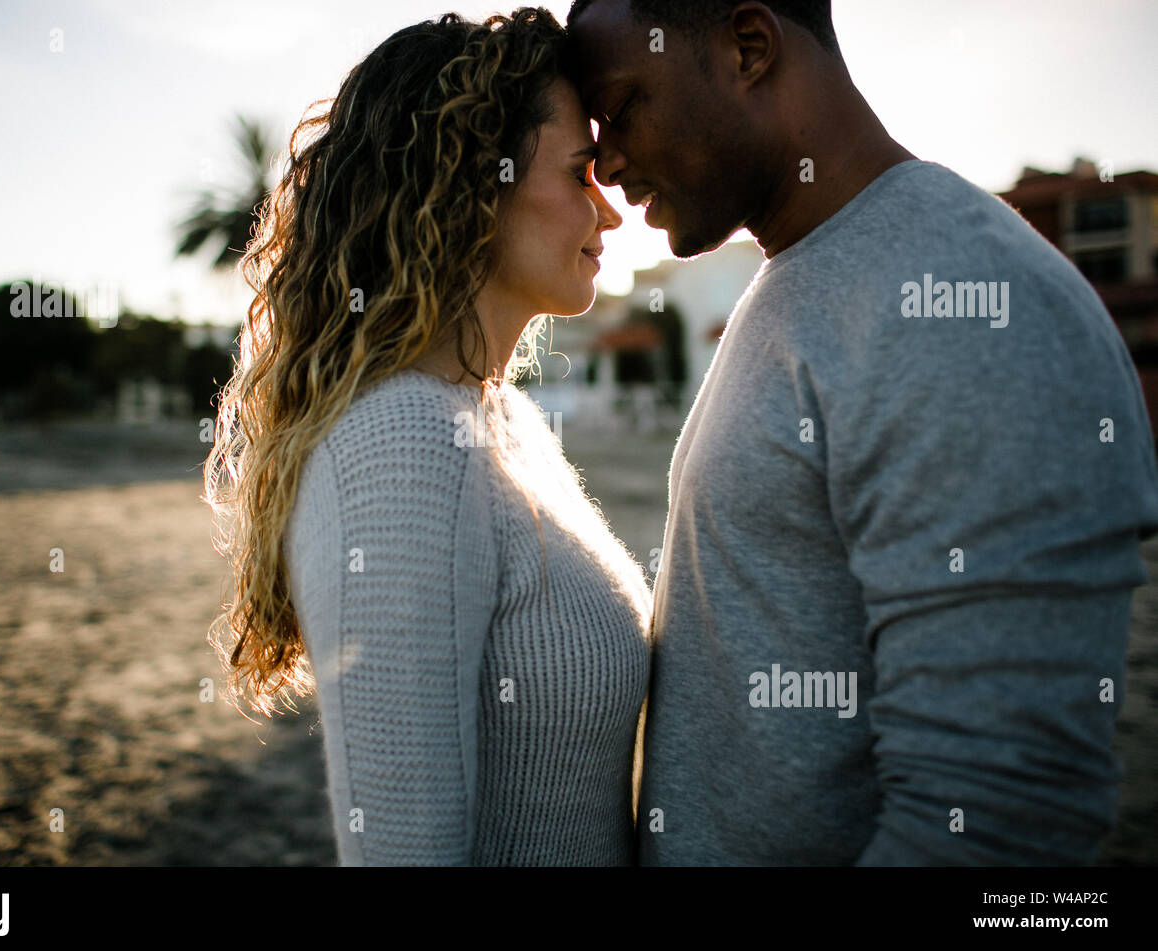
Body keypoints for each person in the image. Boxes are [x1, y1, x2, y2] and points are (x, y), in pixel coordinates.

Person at [564, 0, 1158, 864]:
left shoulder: (968, 304)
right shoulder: (794, 279)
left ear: (749, 47)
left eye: (620, 110)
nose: (607, 164)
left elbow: (1004, 816)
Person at [203, 7, 652, 866]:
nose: (610, 210)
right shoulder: (400, 446)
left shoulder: (505, 423)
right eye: (580, 172)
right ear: (476, 182)